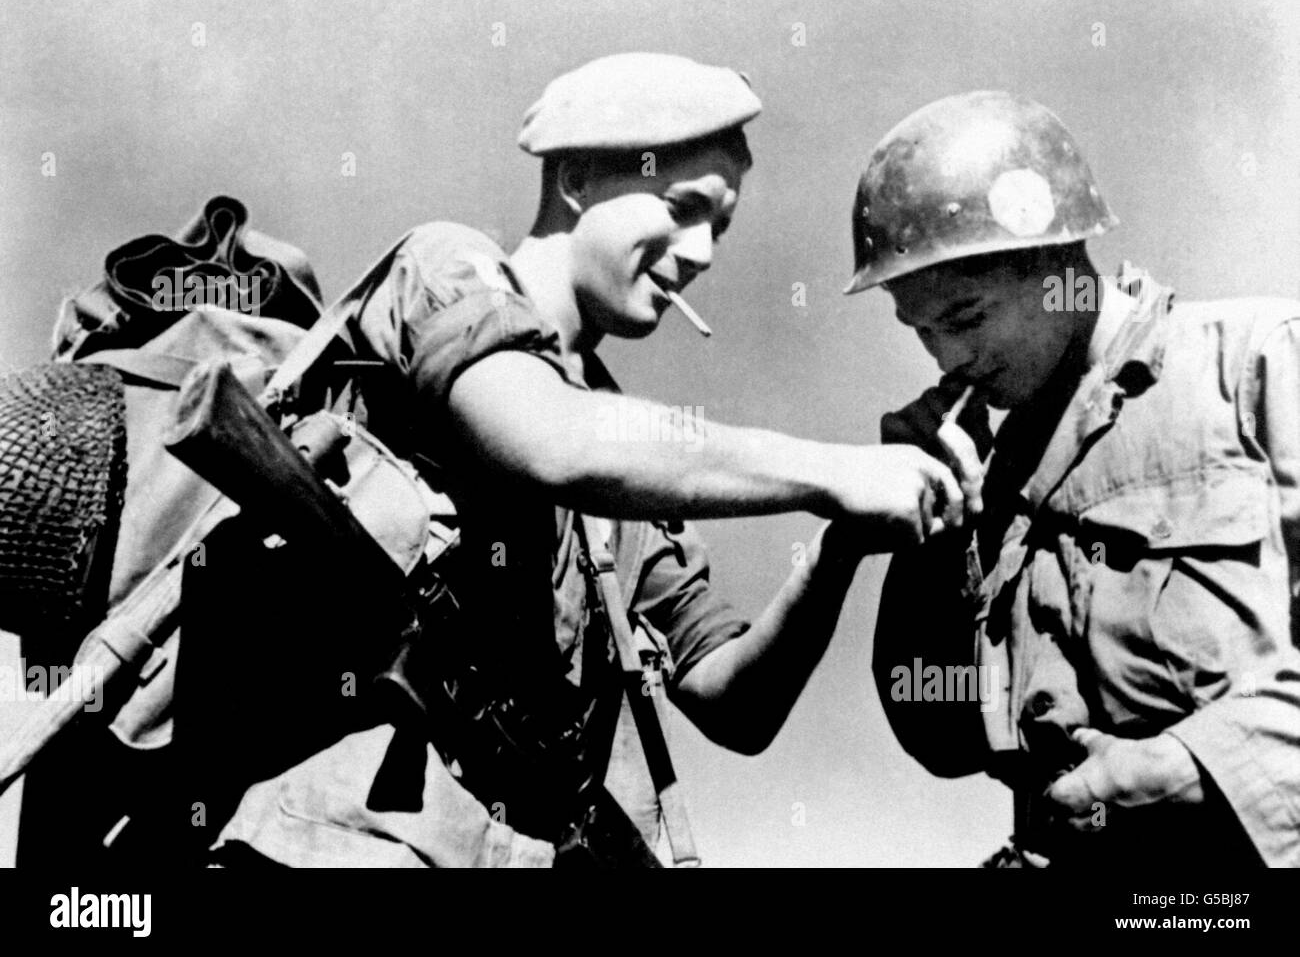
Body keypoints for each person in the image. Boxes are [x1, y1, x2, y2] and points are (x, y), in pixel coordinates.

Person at [211, 53, 980, 867]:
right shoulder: (448, 267)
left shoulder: (622, 472)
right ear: (576, 179)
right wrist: (831, 469)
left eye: (719, 228)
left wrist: (838, 541)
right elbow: (545, 439)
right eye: (684, 207)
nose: (703, 253)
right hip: (335, 843)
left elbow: (734, 704)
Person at [858, 90, 1300, 867]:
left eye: (963, 319)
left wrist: (1191, 765)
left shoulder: (1256, 361)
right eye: (918, 330)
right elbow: (941, 736)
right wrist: (933, 531)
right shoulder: (987, 478)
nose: (942, 358)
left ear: (1057, 260)